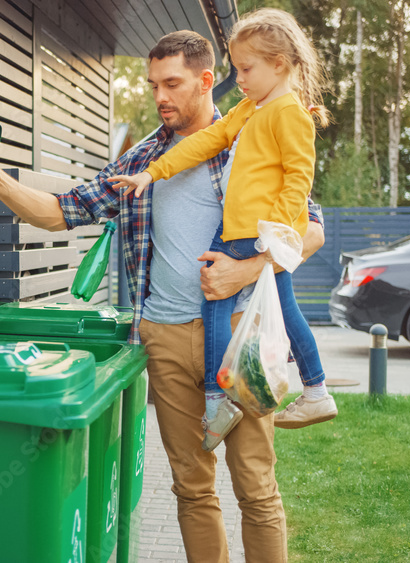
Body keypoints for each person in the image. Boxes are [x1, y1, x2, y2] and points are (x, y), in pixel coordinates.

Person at [0, 30, 324, 562]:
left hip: (238, 334)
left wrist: (244, 271)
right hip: (163, 338)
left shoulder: (253, 132)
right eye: (153, 85)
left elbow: (311, 229)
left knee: (255, 488)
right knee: (192, 488)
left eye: (172, 84)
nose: (160, 96)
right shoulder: (142, 160)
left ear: (207, 80)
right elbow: (59, 211)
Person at [108, 8, 338, 447]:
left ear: (280, 64)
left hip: (254, 232)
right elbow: (205, 141)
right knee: (282, 308)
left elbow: (298, 178)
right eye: (237, 69)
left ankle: (222, 401)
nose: (241, 78)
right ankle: (314, 390)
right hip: (243, 229)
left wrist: (278, 234)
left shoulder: (290, 114)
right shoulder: (250, 109)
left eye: (247, 69)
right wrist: (152, 173)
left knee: (215, 302)